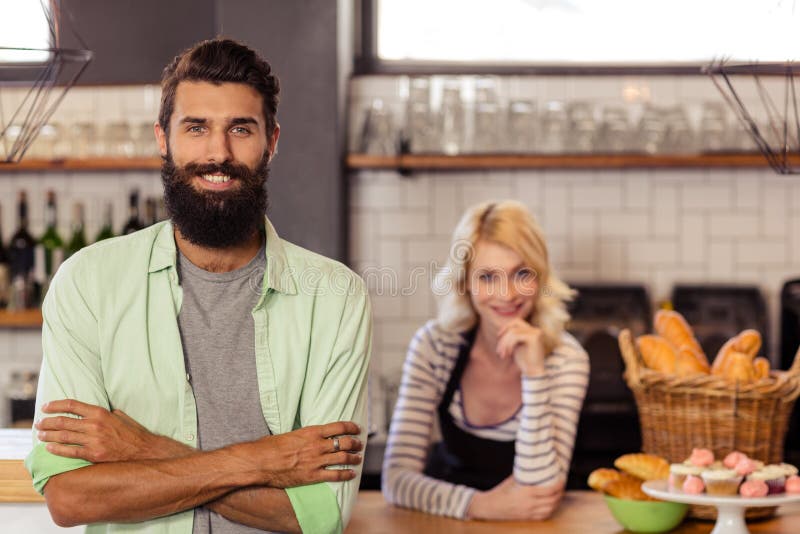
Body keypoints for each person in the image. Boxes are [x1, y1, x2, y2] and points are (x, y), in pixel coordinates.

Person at [26, 38, 371, 534]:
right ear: (163, 139)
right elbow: (71, 496)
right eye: (196, 128)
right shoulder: (88, 283)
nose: (218, 153)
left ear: (271, 141)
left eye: (240, 129)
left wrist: (141, 451)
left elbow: (319, 514)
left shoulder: (337, 298)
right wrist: (265, 459)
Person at [381, 200, 589, 520]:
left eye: (521, 273)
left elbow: (539, 494)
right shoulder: (435, 346)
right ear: (464, 282)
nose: (506, 294)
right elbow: (396, 479)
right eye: (488, 277)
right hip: (448, 524)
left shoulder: (567, 360)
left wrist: (534, 374)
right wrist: (479, 505)